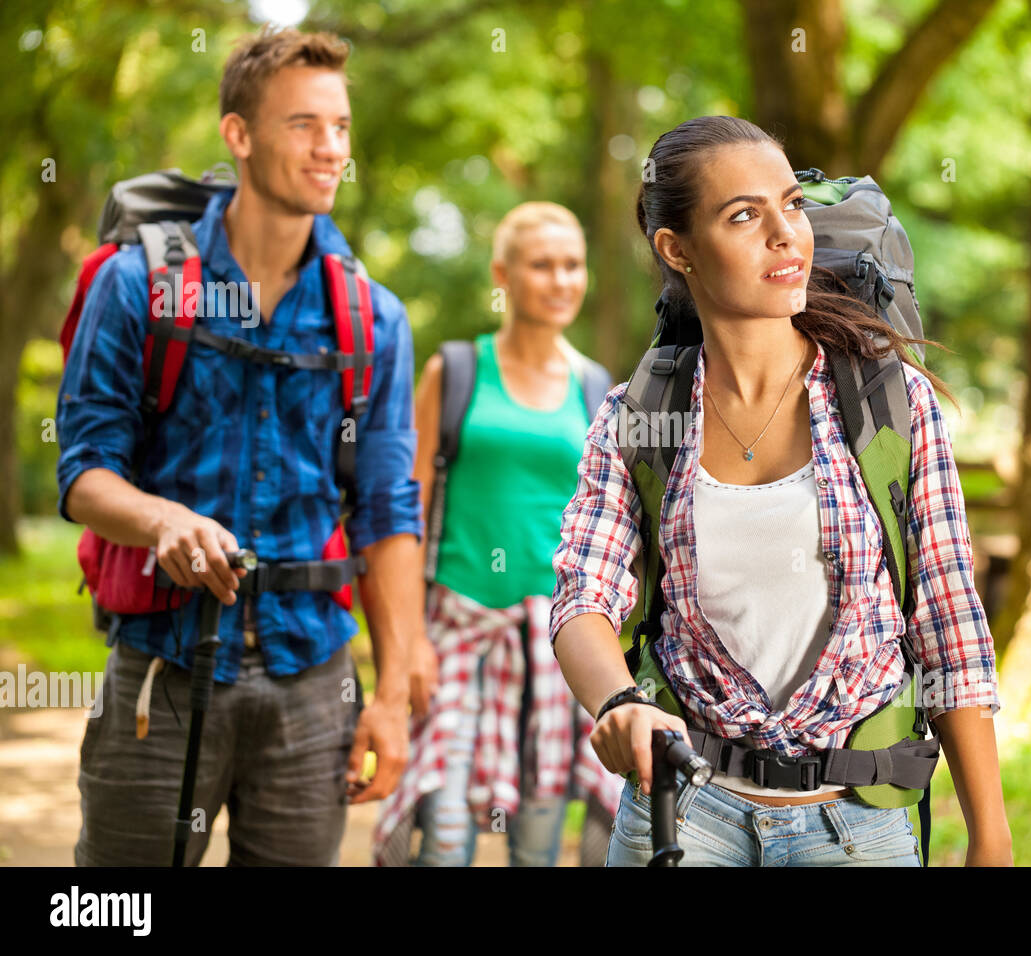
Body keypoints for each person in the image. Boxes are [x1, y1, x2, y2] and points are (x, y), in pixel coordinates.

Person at [550, 115, 1014, 867]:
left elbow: (949, 627)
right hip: (681, 816)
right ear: (677, 249)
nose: (785, 234)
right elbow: (584, 597)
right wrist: (619, 702)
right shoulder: (641, 416)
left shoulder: (888, 404)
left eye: (792, 205)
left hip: (858, 825)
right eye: (744, 215)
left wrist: (990, 837)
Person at [57, 27, 424, 866]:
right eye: (303, 124)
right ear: (239, 134)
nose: (330, 147)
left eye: (339, 126)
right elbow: (83, 473)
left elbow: (387, 511)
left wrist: (394, 698)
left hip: (312, 687)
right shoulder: (137, 284)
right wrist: (161, 523)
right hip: (160, 675)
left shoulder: (373, 318)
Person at [371, 202, 622, 867]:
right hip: (456, 630)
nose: (561, 280)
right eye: (541, 265)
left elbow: (607, 528)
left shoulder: (595, 387)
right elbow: (408, 507)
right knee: (446, 835)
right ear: (502, 274)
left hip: (552, 648)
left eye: (572, 265)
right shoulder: (454, 371)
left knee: (535, 846)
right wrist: (408, 642)